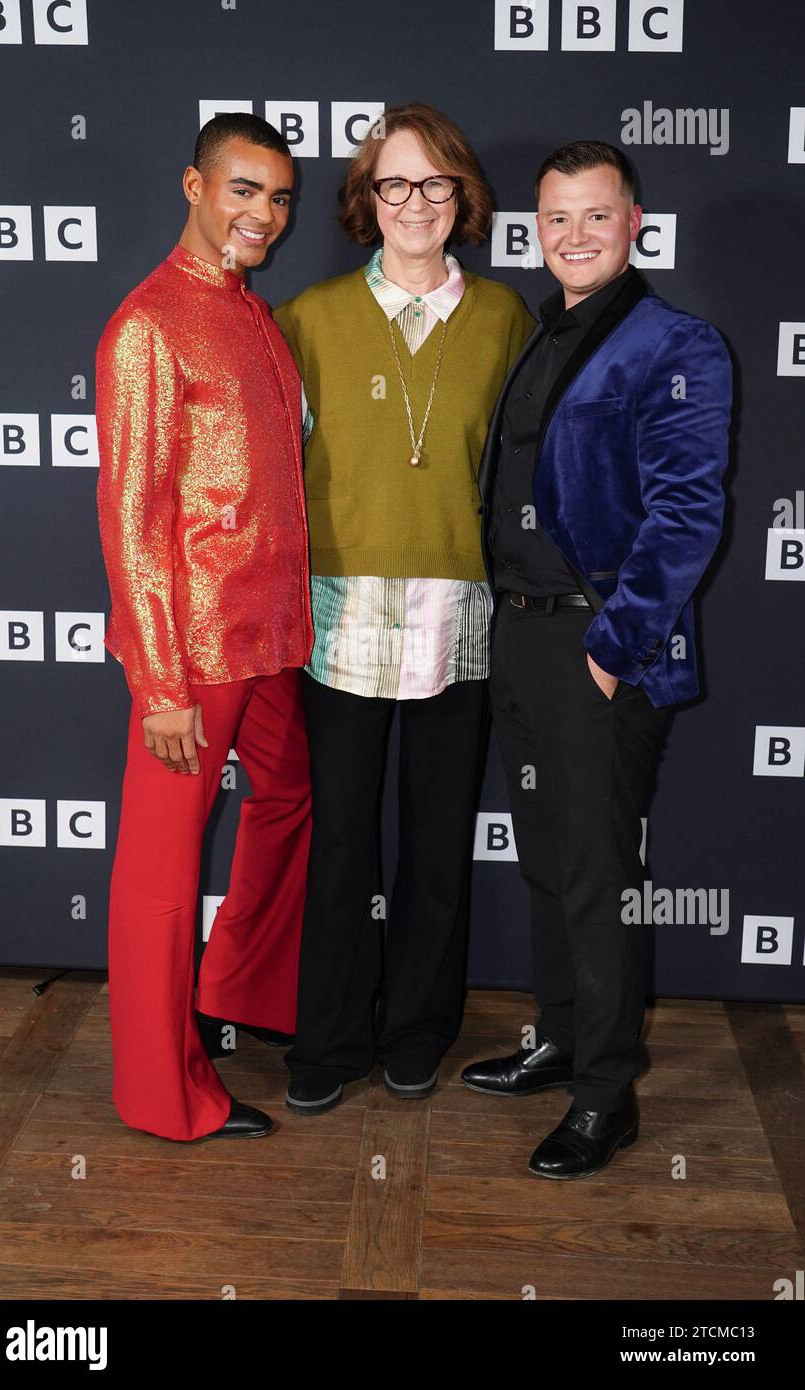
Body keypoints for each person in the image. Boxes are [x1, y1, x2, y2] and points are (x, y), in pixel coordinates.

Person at [463, 140, 732, 1179]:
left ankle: (606, 1092)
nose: (573, 236)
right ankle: (563, 1035)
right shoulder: (545, 333)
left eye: (595, 216)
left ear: (634, 224)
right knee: (546, 861)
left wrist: (612, 652)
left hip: (596, 645)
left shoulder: (678, 345)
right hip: (521, 635)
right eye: (555, 219)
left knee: (597, 876)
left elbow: (685, 515)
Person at [273, 102, 534, 1116]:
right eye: (394, 184)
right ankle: (329, 1036)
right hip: (337, 608)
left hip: (459, 609)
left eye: (435, 184)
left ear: (462, 197)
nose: (414, 202)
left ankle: (418, 1027)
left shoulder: (509, 318)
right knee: (340, 836)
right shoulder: (311, 317)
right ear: (366, 200)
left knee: (436, 839)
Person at [95, 113, 314, 1142]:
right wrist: (161, 682)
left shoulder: (253, 314)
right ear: (193, 185)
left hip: (274, 634)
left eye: (276, 198)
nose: (260, 215)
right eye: (242, 190)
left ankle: (236, 991)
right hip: (193, 646)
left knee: (292, 802)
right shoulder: (147, 325)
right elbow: (132, 519)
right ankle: (160, 1092)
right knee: (158, 866)